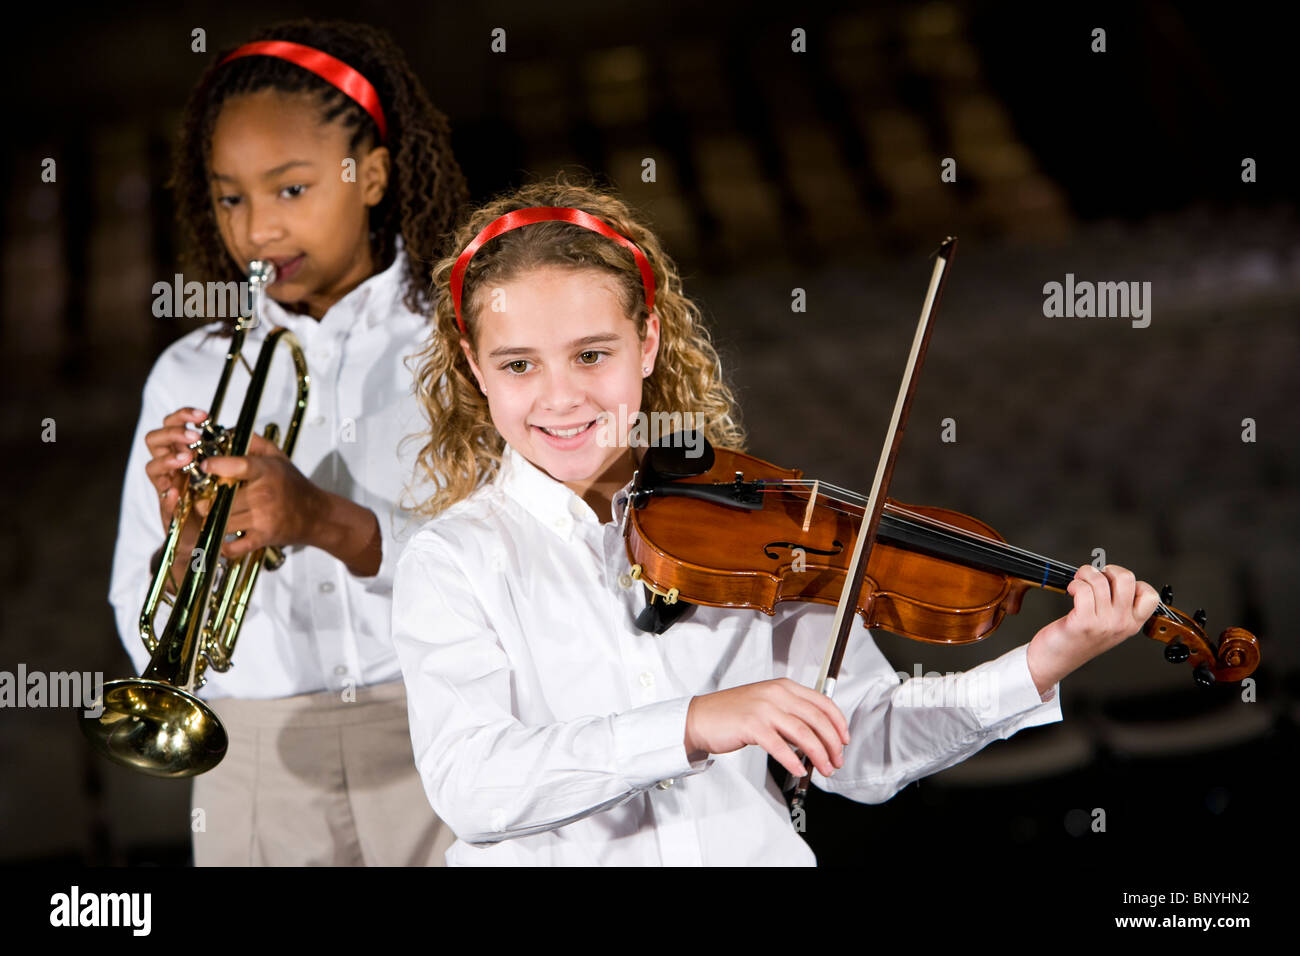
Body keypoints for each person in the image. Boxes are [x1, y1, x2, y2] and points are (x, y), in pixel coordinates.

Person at [391, 178, 1160, 866]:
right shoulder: (454, 560)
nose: (560, 397)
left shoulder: (757, 523)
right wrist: (693, 724)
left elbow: (862, 753)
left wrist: (1040, 665)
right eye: (519, 364)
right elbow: (474, 785)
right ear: (472, 368)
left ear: (648, 342)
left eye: (592, 355)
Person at [107, 19, 468, 866]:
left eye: (291, 190)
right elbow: (137, 608)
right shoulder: (187, 372)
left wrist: (325, 520)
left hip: (441, 723)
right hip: (256, 756)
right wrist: (191, 546)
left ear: (373, 173)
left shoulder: (463, 341)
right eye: (231, 197)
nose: (258, 230)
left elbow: (515, 567)